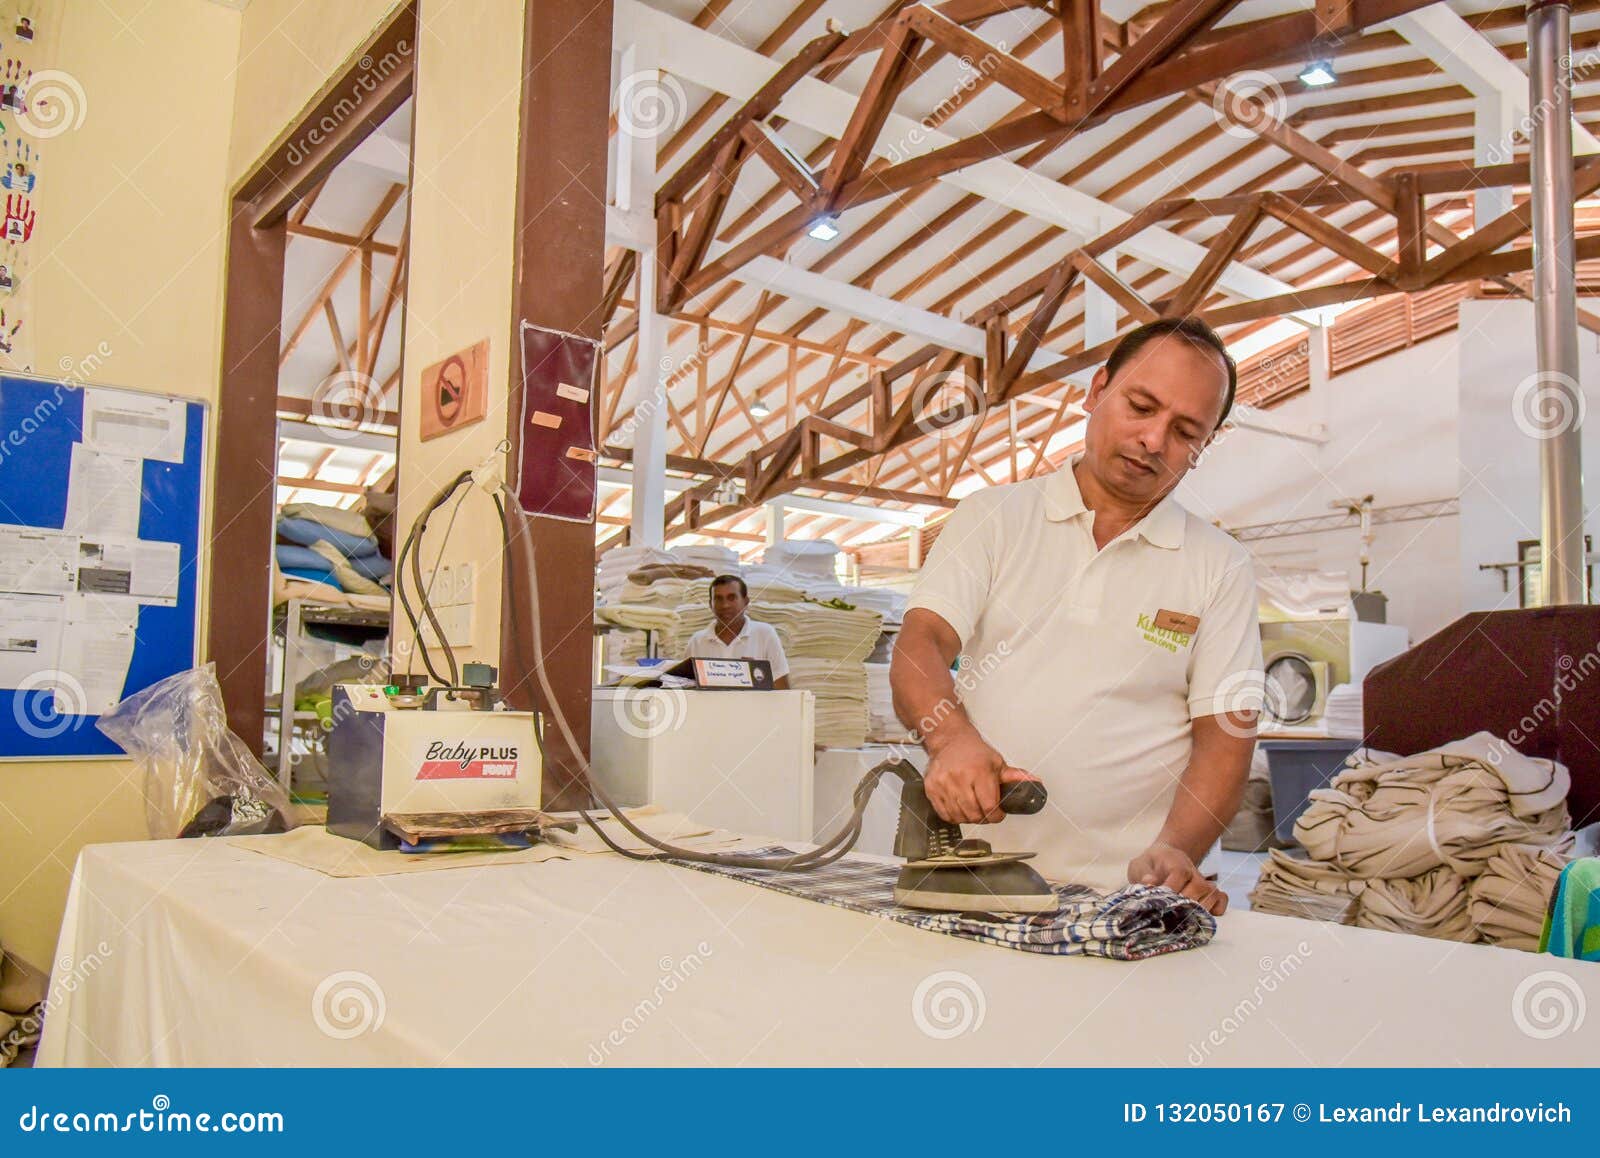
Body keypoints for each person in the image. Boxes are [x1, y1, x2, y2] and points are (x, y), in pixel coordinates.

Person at [890, 318, 1263, 915]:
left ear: (1201, 449)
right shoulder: (994, 517)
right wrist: (951, 740)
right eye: (1141, 406)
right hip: (976, 875)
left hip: (1133, 898)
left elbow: (1225, 739)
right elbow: (922, 642)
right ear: (1096, 391)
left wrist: (1175, 848)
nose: (1153, 439)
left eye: (1185, 431)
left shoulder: (1219, 566)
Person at [684, 574, 790, 689]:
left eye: (732, 597)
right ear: (711, 604)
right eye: (718, 599)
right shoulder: (697, 641)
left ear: (746, 602)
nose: (725, 605)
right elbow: (686, 688)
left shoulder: (765, 634)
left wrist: (758, 676)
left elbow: (782, 689)